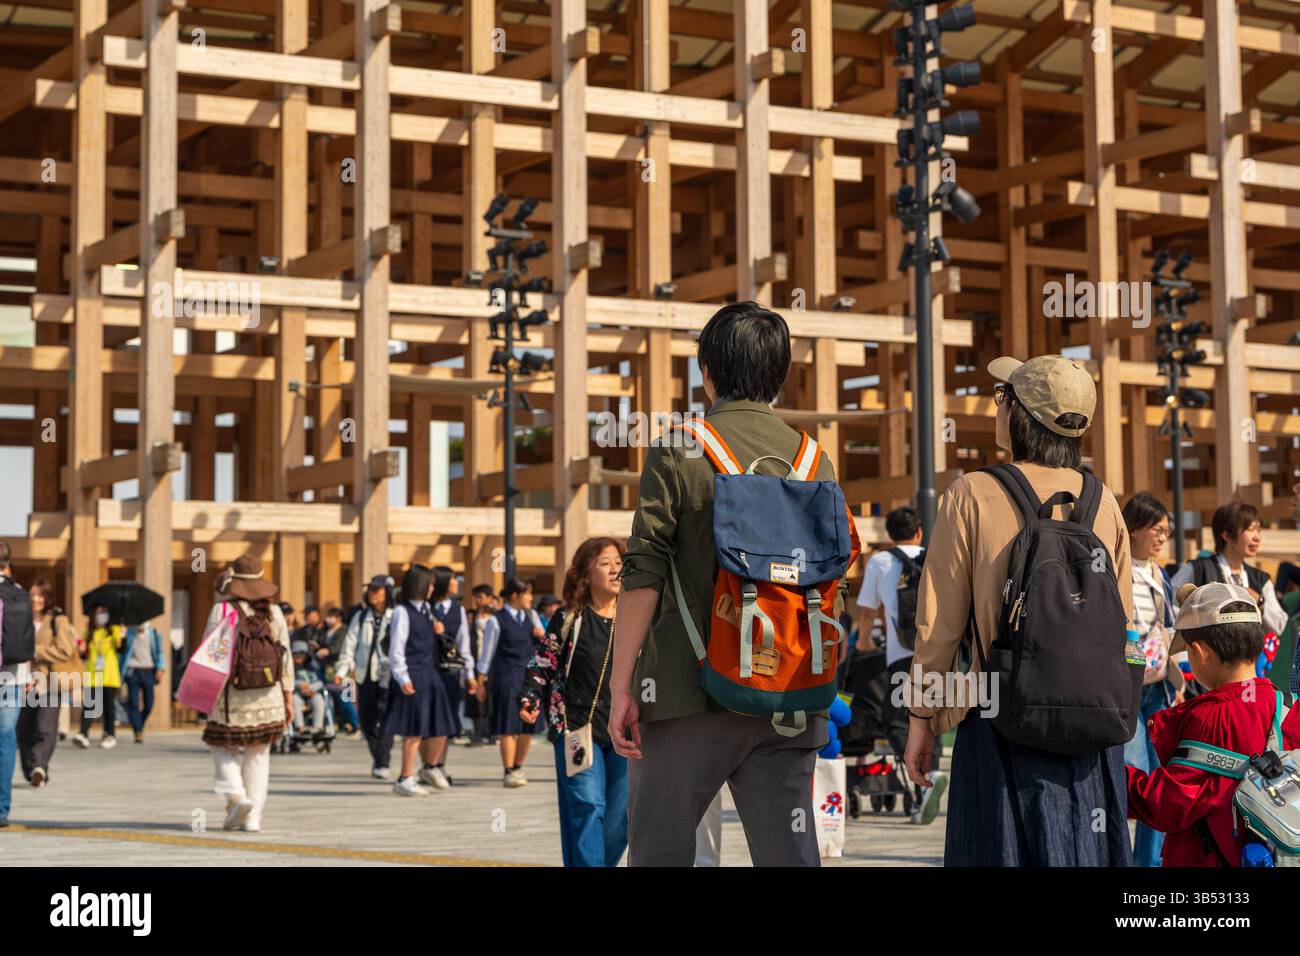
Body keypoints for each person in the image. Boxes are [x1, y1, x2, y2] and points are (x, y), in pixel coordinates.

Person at [610, 301, 840, 866]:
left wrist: (621, 687)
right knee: (791, 854)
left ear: (707, 371)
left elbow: (644, 572)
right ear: (780, 374)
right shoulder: (813, 460)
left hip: (687, 693)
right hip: (787, 692)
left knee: (661, 853)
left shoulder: (679, 448)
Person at [902, 354, 1135, 866]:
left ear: (1020, 416)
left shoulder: (972, 493)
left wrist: (922, 718)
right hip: (1092, 732)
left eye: (1002, 398)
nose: (997, 408)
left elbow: (939, 628)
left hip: (999, 718)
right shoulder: (1105, 502)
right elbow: (1126, 626)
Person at [1127, 582, 1300, 865]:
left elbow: (1169, 804)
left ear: (1200, 651)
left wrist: (1118, 780)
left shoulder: (1209, 718)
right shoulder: (1289, 707)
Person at [520, 537, 628, 867]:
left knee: (622, 817)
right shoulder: (569, 619)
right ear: (584, 575)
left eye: (619, 563)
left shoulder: (636, 619)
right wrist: (529, 695)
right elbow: (543, 663)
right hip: (576, 730)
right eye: (605, 563)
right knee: (588, 807)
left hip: (625, 733)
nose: (615, 569)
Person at [854, 505, 949, 825]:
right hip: (937, 654)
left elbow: (867, 611)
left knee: (895, 720)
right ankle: (932, 774)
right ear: (920, 531)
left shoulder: (881, 561)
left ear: (888, 535)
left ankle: (921, 783)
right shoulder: (934, 555)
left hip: (900, 656)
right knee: (931, 717)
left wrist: (863, 642)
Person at [203, 555, 293, 832]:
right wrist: (288, 696)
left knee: (221, 746)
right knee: (259, 753)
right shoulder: (275, 612)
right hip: (270, 695)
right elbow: (285, 655)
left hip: (232, 694)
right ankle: (253, 817)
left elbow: (211, 653)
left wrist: (205, 692)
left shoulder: (222, 611)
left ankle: (236, 796)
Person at [1120, 491, 1184, 867]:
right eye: (1156, 529)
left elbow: (1170, 626)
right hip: (1125, 687)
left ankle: (1148, 862)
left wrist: (1179, 680)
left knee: (1159, 779)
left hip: (1158, 684)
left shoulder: (1160, 574)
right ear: (1134, 529)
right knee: (1135, 774)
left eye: (1166, 530)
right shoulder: (1114, 567)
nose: (1162, 537)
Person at [385, 564, 457, 795]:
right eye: (430, 583)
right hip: (413, 673)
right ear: (420, 584)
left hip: (431, 673)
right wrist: (402, 676)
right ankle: (405, 777)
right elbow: (396, 648)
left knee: (441, 725)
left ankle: (430, 766)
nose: (433, 588)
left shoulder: (427, 609)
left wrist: (438, 630)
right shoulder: (401, 612)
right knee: (414, 729)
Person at [1171, 502, 1287, 641]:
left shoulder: (1260, 580)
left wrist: (1260, 601)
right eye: (1250, 530)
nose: (1257, 537)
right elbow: (1169, 605)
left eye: (1259, 530)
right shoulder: (1198, 569)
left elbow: (1279, 625)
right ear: (1226, 535)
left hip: (1249, 660)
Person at [475, 578, 545, 788]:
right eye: (527, 594)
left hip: (529, 676)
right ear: (515, 595)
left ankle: (518, 766)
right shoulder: (496, 620)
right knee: (508, 725)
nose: (531, 598)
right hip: (505, 676)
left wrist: (541, 636)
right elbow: (486, 654)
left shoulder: (532, 616)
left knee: (527, 725)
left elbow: (546, 646)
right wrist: (480, 682)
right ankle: (508, 770)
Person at [17, 580, 77, 786]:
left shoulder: (57, 619)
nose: (35, 599)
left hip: (51, 681)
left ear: (47, 597)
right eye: (32, 594)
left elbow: (65, 649)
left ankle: (39, 766)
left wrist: (37, 650)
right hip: (24, 681)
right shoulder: (21, 618)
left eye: (40, 595)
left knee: (45, 727)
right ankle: (30, 769)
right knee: (23, 729)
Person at [336, 574, 396, 778]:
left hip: (388, 675)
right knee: (367, 720)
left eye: (377, 590)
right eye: (370, 589)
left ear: (387, 592)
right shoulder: (360, 616)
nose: (373, 594)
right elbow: (349, 645)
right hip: (364, 675)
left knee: (386, 718)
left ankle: (382, 761)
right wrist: (341, 671)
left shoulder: (396, 615)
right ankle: (379, 758)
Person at [0, 541, 35, 827]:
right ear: (8, 563)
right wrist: (26, 678)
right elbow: (26, 641)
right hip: (11, 676)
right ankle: (1, 810)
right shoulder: (20, 594)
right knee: (6, 738)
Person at [430, 567, 476, 775]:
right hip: (427, 670)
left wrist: (470, 675)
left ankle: (439, 764)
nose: (457, 583)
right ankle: (428, 765)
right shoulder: (425, 606)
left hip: (450, 673)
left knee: (446, 720)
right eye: (453, 579)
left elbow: (463, 644)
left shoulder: (458, 610)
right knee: (428, 720)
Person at [73, 604, 124, 750]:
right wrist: (81, 650)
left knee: (108, 707)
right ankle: (83, 733)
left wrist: (122, 637)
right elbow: (83, 654)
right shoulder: (89, 632)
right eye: (98, 613)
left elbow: (121, 649)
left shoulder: (114, 630)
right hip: (93, 674)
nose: (100, 616)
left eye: (104, 613)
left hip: (109, 675)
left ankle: (109, 734)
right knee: (89, 705)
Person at [120, 616, 166, 744]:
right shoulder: (129, 633)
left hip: (148, 670)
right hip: (132, 670)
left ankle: (139, 723)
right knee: (133, 703)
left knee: (149, 703)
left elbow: (160, 652)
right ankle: (138, 731)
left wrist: (161, 668)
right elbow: (123, 651)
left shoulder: (154, 633)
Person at [317, 607, 358, 734]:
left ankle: (355, 723)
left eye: (332, 616)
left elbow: (338, 649)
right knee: (335, 699)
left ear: (339, 618)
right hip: (329, 670)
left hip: (344, 668)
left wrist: (327, 651)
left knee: (346, 698)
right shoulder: (325, 630)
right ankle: (341, 723)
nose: (328, 619)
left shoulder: (344, 631)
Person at [465, 584, 495, 746]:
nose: (478, 600)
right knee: (474, 697)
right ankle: (478, 733)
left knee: (490, 697)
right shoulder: (470, 616)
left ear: (490, 598)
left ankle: (490, 733)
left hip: (492, 663)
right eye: (476, 597)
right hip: (475, 661)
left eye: (481, 596)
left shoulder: (496, 616)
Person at [291, 641, 328, 738]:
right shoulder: (290, 667)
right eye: (296, 654)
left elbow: (321, 681)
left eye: (302, 653)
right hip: (297, 694)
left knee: (319, 699)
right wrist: (299, 685)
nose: (299, 656)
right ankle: (300, 727)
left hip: (312, 693)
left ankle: (318, 727)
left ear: (306, 655)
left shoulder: (312, 667)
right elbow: (287, 681)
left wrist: (311, 688)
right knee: (294, 700)